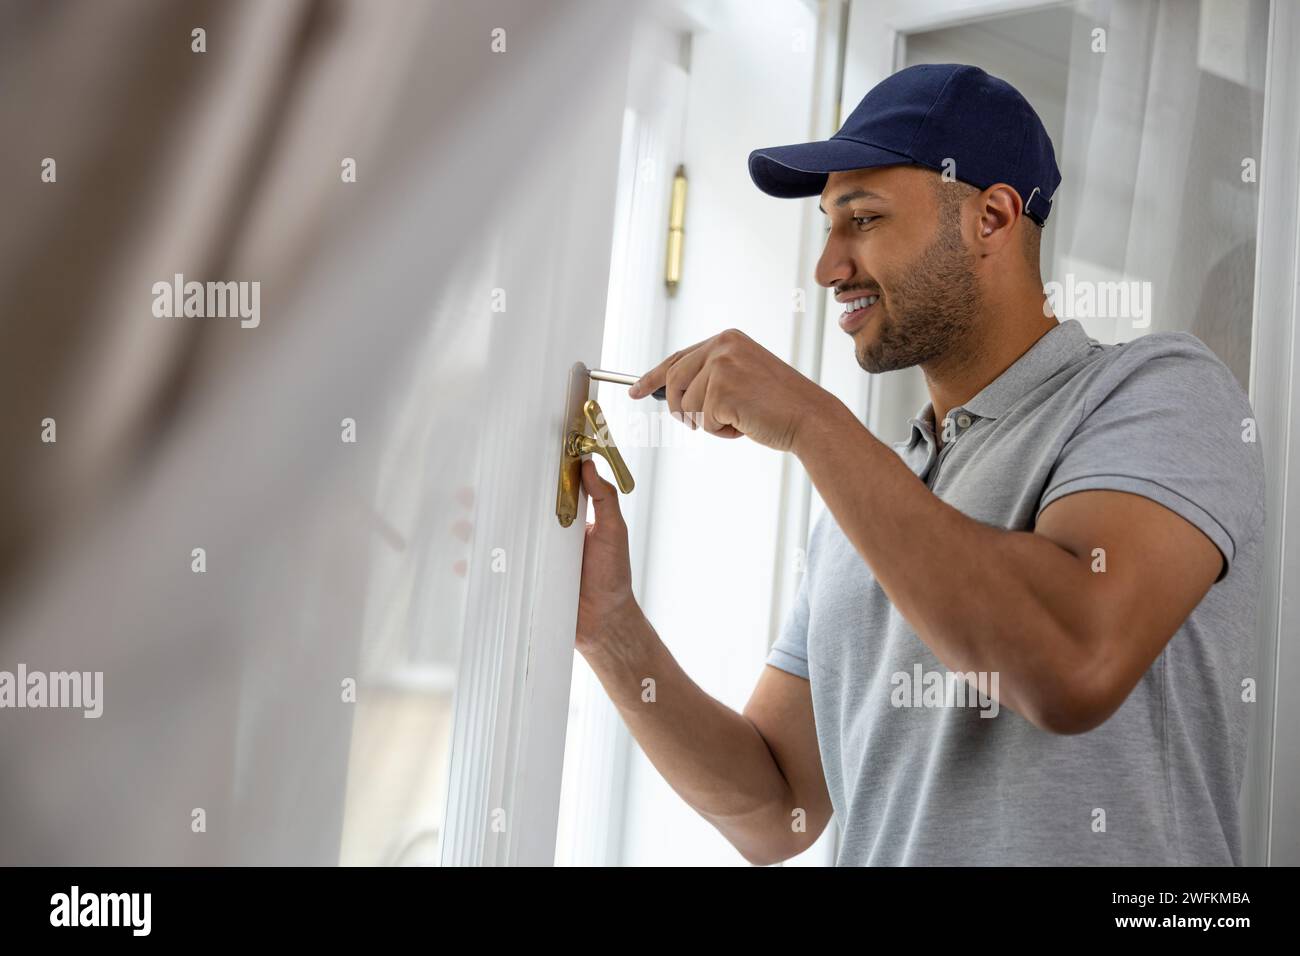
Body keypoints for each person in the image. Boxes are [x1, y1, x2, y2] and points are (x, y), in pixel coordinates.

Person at [574, 63, 1266, 866]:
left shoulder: (1158, 391)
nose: (828, 268)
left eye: (861, 220)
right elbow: (779, 809)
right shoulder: (868, 493)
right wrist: (610, 627)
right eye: (828, 227)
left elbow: (1076, 660)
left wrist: (809, 421)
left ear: (993, 219)